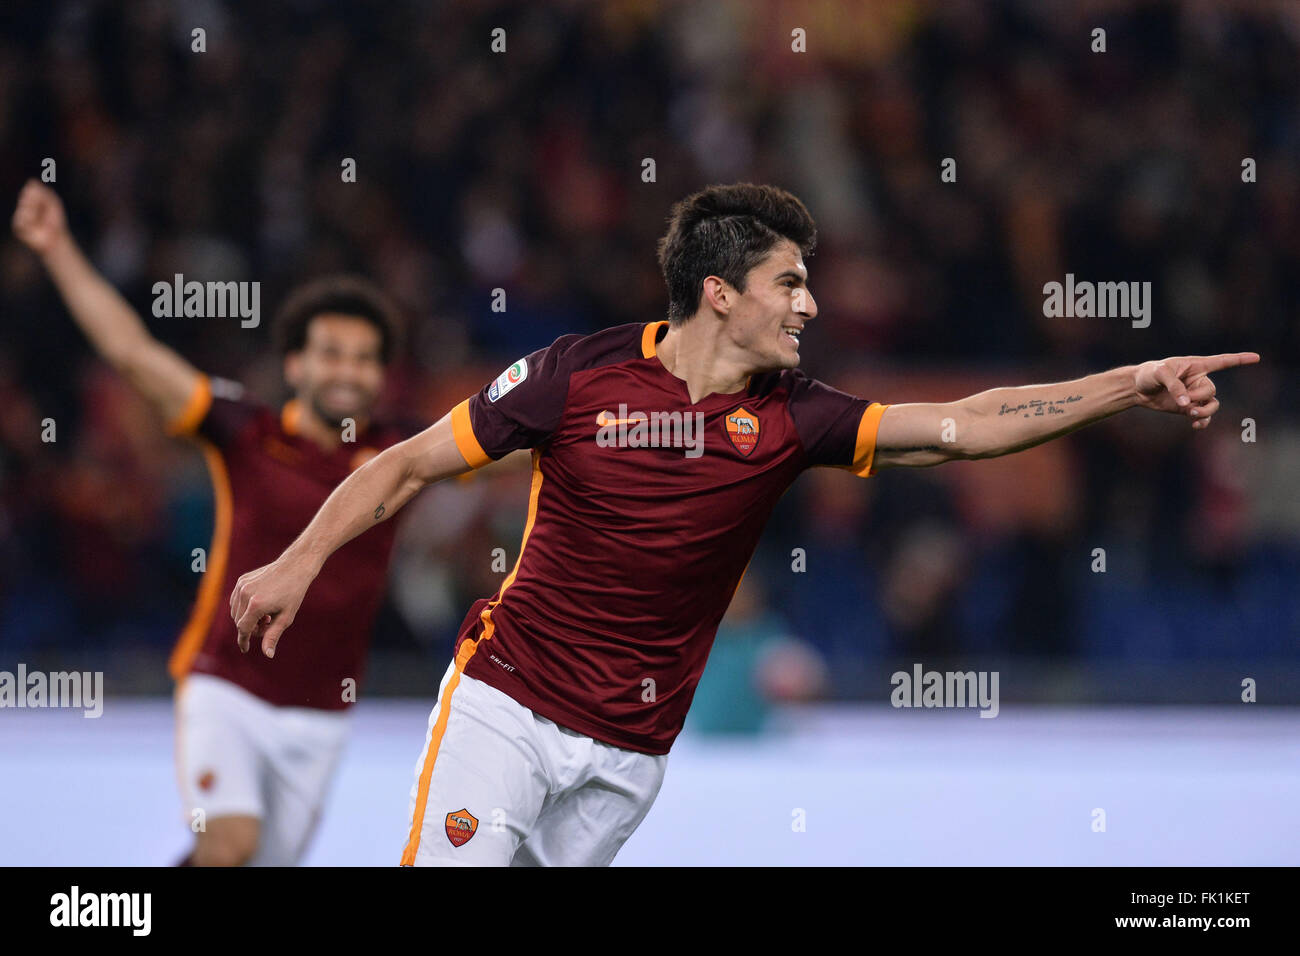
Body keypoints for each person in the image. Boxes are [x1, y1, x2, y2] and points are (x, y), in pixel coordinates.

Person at [227, 182, 1258, 866]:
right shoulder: (571, 375)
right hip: (504, 702)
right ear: (720, 293)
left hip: (631, 750)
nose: (809, 303)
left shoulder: (795, 417)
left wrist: (1127, 383)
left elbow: (968, 426)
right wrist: (296, 562)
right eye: (790, 282)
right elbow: (407, 462)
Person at [12, 180, 415, 866]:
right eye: (332, 352)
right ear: (295, 364)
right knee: (230, 845)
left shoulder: (403, 458)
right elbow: (134, 354)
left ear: (382, 375)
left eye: (364, 357)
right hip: (225, 687)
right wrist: (57, 250)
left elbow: (514, 445)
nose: (348, 369)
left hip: (324, 714)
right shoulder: (244, 431)